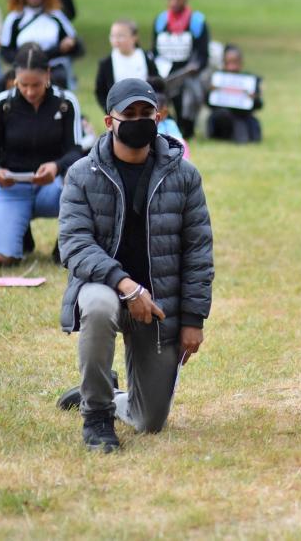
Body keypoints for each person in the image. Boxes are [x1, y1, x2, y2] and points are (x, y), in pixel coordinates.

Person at [54, 78, 214, 453]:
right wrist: (127, 285)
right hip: (109, 290)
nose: (140, 120)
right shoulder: (81, 174)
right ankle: (96, 417)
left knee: (149, 421)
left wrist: (193, 318)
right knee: (96, 305)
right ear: (110, 121)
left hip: (157, 307)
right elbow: (74, 245)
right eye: (130, 114)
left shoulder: (185, 176)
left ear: (158, 117)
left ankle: (106, 391)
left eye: (147, 113)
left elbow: (198, 250)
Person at [0, 44, 82, 266]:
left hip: (54, 186)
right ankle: (20, 232)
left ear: (47, 75)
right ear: (15, 77)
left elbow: (75, 151)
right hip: (12, 187)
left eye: (36, 84)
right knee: (0, 258)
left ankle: (65, 244)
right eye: (23, 84)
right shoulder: (1, 104)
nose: (29, 91)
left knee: (82, 189)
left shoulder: (66, 103)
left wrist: (56, 166)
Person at [0, 0, 82, 90]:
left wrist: (69, 44)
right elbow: (5, 51)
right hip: (23, 71)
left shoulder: (55, 15)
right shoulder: (14, 18)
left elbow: (75, 44)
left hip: (54, 71)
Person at [152, 0, 209, 139]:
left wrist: (195, 67)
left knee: (189, 96)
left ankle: (187, 129)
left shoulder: (197, 21)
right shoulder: (161, 21)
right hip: (165, 74)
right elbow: (155, 51)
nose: (174, 2)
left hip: (189, 73)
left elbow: (202, 53)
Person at [94, 19, 158, 111]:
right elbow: (100, 91)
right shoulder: (106, 63)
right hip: (120, 112)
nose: (116, 40)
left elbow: (156, 81)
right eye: (113, 36)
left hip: (144, 109)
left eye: (121, 36)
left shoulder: (146, 57)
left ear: (134, 37)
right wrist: (109, 110)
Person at [206, 45, 262, 143]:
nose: (231, 67)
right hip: (221, 118)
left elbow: (259, 105)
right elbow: (208, 104)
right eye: (228, 63)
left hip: (242, 116)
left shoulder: (249, 80)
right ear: (223, 62)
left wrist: (254, 98)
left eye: (235, 63)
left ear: (241, 63)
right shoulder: (216, 79)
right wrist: (211, 93)